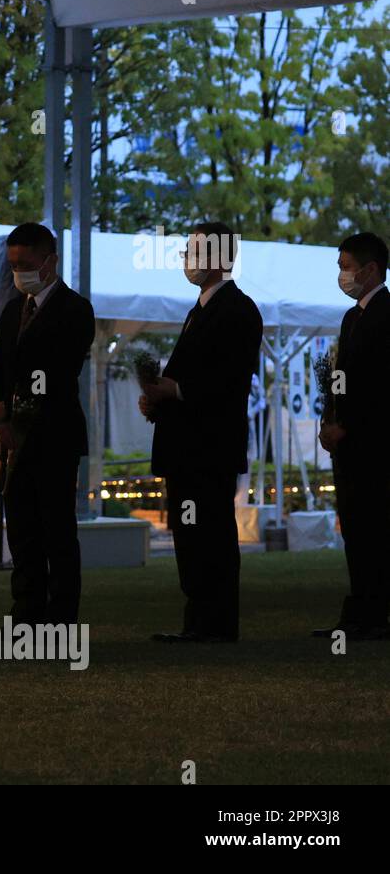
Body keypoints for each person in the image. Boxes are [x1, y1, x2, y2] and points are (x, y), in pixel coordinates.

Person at [142, 222, 261, 643]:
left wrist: (177, 389)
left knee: (210, 532)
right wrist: (159, 397)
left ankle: (216, 620)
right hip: (189, 447)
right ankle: (199, 618)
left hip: (208, 448)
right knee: (192, 533)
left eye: (194, 251)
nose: (187, 259)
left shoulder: (237, 309)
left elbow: (231, 381)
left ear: (220, 258)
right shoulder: (202, 309)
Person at [0, 222, 94, 627]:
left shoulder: (75, 309)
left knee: (57, 530)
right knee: (23, 530)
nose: (18, 272)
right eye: (13, 265)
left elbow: (61, 369)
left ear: (50, 261)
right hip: (14, 436)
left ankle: (62, 616)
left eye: (26, 264)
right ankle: (26, 612)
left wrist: (26, 415)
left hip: (54, 436)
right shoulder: (14, 309)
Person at [314, 232, 390, 641]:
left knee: (374, 529)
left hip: (373, 445)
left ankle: (375, 613)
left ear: (370, 269)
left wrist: (351, 425)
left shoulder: (385, 315)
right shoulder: (351, 317)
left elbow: (381, 388)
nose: (343, 274)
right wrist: (329, 418)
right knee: (356, 530)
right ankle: (359, 610)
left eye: (346, 266)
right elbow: (341, 379)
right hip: (346, 442)